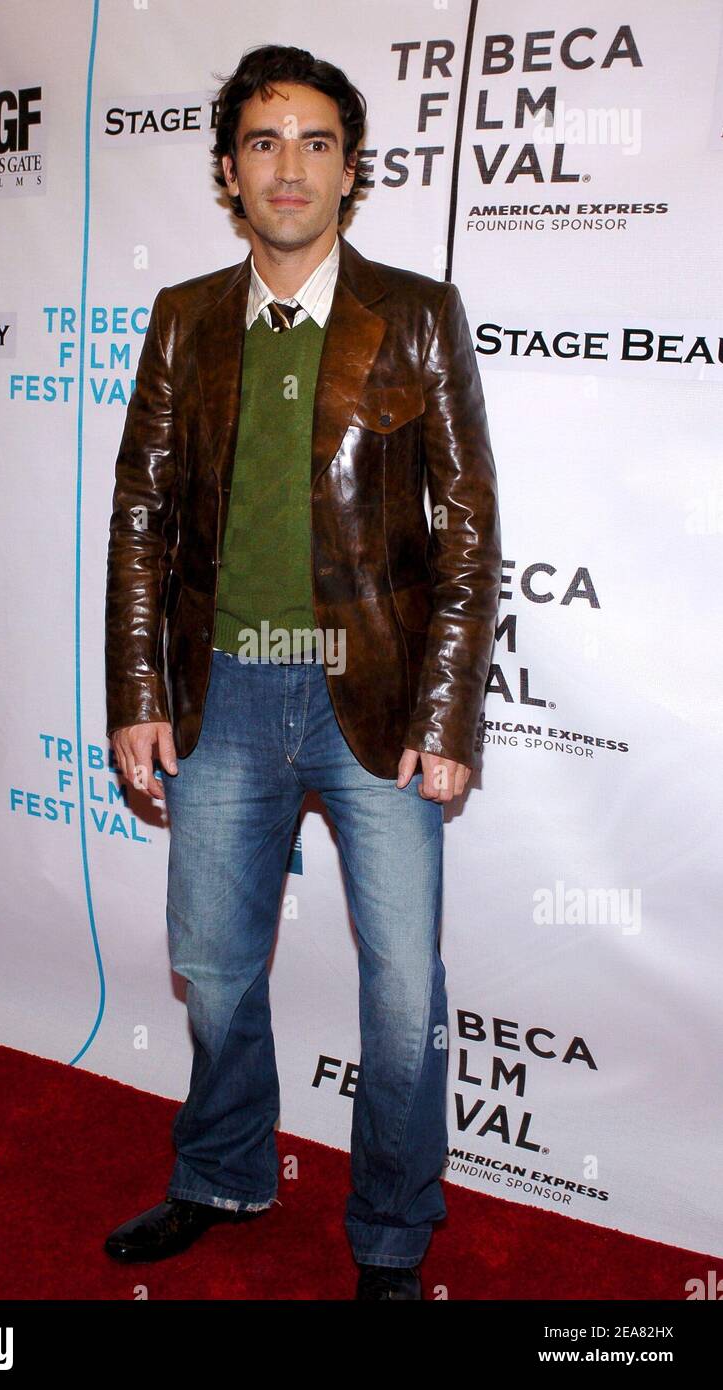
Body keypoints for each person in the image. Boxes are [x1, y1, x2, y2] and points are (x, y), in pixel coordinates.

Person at [103, 42, 501, 1301]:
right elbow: (142, 519)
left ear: (351, 171)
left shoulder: (419, 316)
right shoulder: (185, 320)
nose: (290, 166)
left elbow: (469, 530)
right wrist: (138, 693)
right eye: (264, 141)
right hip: (222, 691)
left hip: (375, 702)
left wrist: (445, 715)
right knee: (214, 966)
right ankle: (222, 1169)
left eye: (317, 141)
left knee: (400, 987)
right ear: (230, 170)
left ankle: (390, 1232)